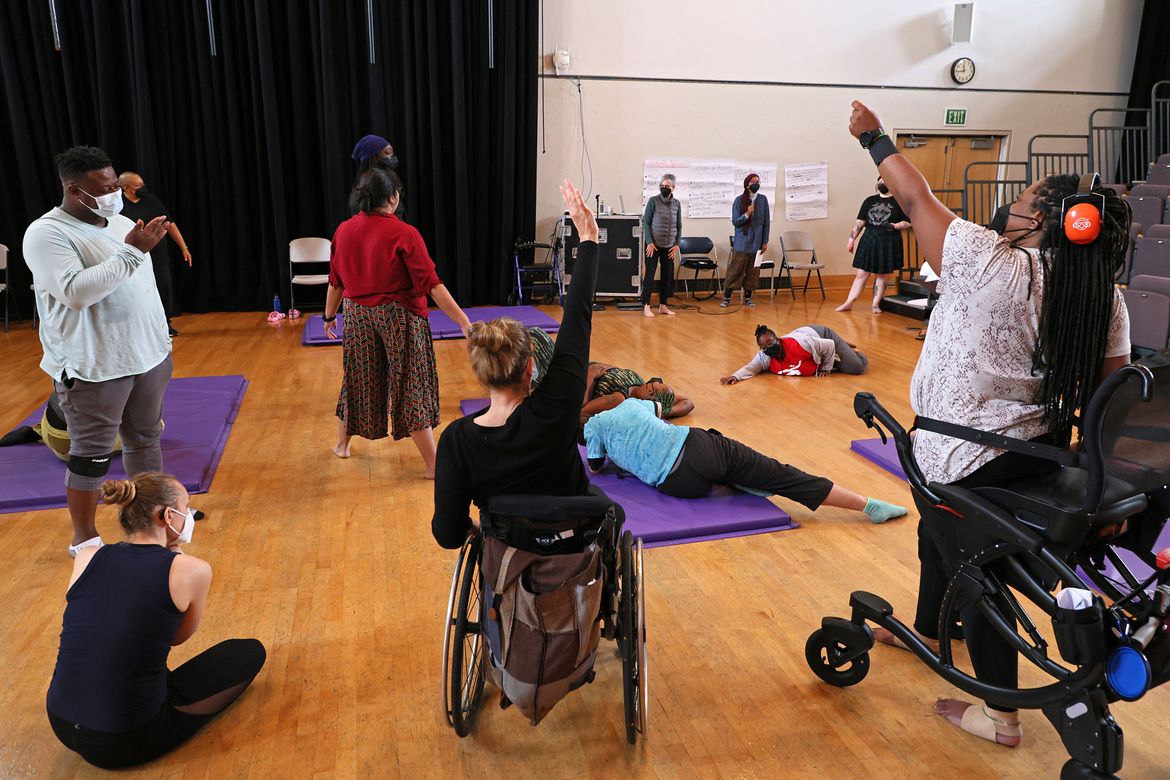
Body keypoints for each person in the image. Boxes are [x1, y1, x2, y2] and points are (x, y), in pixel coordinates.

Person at [849, 99, 1132, 748]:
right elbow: (1107, 401)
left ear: (1048, 222)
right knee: (938, 530)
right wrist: (1106, 481)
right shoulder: (1103, 295)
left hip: (963, 459)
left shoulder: (989, 260)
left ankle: (998, 716)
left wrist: (873, 138)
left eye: (1024, 203)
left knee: (978, 572)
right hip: (1040, 457)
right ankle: (928, 627)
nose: (1011, 209)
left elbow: (916, 197)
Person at [46, 472, 264, 769]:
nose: (189, 516)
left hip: (59, 721)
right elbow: (177, 636)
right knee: (248, 651)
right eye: (186, 508)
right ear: (167, 516)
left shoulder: (87, 556)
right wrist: (173, 560)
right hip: (125, 739)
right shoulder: (193, 569)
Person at [431, 180, 603, 549]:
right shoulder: (557, 406)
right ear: (530, 368)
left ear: (480, 373)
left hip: (507, 556)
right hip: (572, 548)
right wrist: (588, 238)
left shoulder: (457, 442)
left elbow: (447, 536)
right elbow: (578, 316)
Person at [23, 146, 173, 556]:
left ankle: (153, 520)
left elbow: (142, 289)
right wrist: (133, 250)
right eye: (106, 188)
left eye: (115, 186)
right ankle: (84, 537)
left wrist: (161, 340)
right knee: (91, 455)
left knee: (145, 441)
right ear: (75, 189)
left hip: (148, 357)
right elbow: (75, 292)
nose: (115, 194)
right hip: (94, 366)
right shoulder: (46, 233)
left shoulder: (120, 221)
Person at [325, 168, 469, 475]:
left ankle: (342, 445)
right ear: (393, 197)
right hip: (398, 316)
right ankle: (433, 464)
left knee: (358, 381)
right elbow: (432, 285)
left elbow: (335, 282)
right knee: (410, 385)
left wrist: (327, 316)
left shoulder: (343, 231)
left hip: (357, 315)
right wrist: (463, 321)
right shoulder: (404, 233)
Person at [584, 398, 907, 523]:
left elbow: (596, 466)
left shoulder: (592, 429)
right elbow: (665, 411)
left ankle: (739, 484)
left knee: (730, 478)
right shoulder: (630, 404)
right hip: (700, 446)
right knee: (782, 474)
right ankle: (868, 505)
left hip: (680, 484)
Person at [119, 172, 193, 336]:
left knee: (163, 287)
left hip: (158, 255)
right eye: (138, 185)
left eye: (142, 183)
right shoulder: (119, 205)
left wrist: (183, 247)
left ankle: (165, 324)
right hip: (134, 256)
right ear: (125, 188)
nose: (142, 187)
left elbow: (169, 224)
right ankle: (142, 327)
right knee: (138, 291)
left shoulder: (151, 200)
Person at [836, 177, 911, 313]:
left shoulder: (898, 202)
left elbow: (908, 222)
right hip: (869, 241)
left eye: (886, 181)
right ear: (877, 183)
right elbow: (860, 223)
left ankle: (875, 304)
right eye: (880, 181)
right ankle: (849, 302)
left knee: (881, 276)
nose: (883, 183)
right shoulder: (869, 201)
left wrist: (898, 225)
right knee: (861, 274)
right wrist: (851, 239)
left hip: (888, 242)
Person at [721, 324, 868, 382]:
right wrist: (735, 376)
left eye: (770, 343)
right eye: (764, 347)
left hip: (823, 336)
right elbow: (750, 367)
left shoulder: (800, 344)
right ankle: (844, 347)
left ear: (778, 339)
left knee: (855, 368)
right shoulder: (764, 356)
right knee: (836, 360)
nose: (768, 348)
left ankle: (852, 351)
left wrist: (826, 369)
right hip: (817, 347)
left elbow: (828, 345)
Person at [580, 361, 694, 421]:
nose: (651, 381)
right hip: (587, 365)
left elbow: (582, 410)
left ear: (650, 391)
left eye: (656, 382)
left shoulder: (618, 399)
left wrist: (591, 375)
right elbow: (688, 402)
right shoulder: (639, 384)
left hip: (580, 376)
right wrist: (663, 411)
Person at [722, 173, 770, 308]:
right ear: (747, 185)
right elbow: (735, 222)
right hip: (742, 243)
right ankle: (727, 298)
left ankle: (748, 298)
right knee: (735, 270)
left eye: (758, 181)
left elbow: (766, 222)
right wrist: (747, 214)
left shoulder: (763, 200)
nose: (756, 183)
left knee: (753, 272)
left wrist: (765, 241)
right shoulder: (739, 200)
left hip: (757, 243)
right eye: (753, 181)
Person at [640, 173, 682, 317]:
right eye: (662, 186)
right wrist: (650, 242)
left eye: (667, 186)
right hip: (653, 245)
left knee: (666, 277)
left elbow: (679, 225)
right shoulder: (653, 201)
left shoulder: (677, 204)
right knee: (650, 276)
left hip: (669, 246)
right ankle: (646, 305)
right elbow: (646, 222)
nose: (664, 188)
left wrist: (677, 245)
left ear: (673, 188)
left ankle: (663, 306)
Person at [349, 134, 405, 219]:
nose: (391, 158)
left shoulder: (391, 182)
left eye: (392, 153)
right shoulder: (360, 193)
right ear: (374, 158)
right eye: (387, 153)